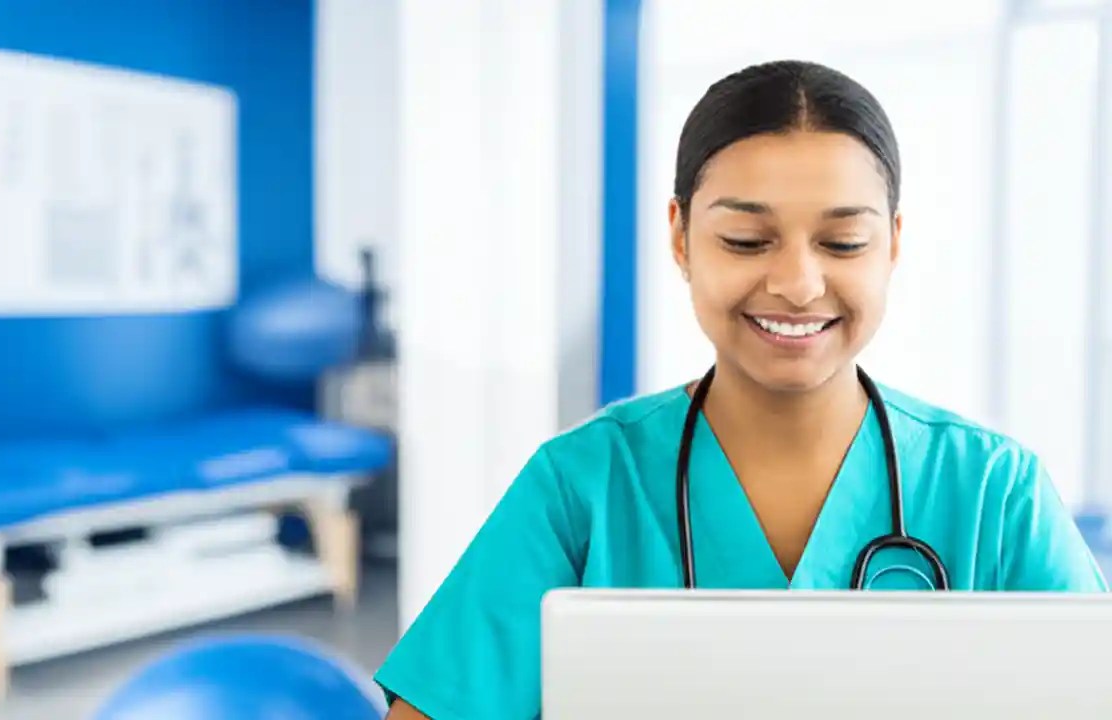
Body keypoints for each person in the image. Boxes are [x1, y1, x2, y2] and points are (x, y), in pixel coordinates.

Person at [375, 59, 1108, 720]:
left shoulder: (993, 493)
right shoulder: (582, 488)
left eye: (843, 242)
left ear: (893, 244)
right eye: (747, 242)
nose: (796, 284)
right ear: (680, 238)